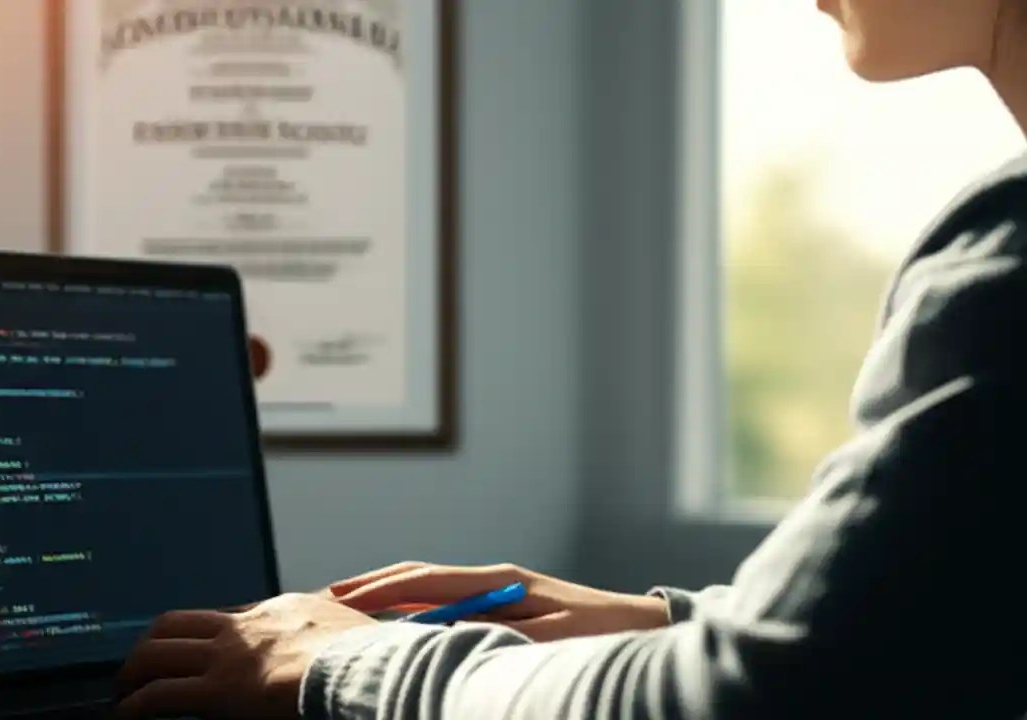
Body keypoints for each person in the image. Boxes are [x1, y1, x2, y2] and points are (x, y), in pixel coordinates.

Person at [112, 1, 1027, 717]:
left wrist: (338, 666)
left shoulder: (1010, 243)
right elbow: (951, 630)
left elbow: (760, 700)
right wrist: (664, 621)